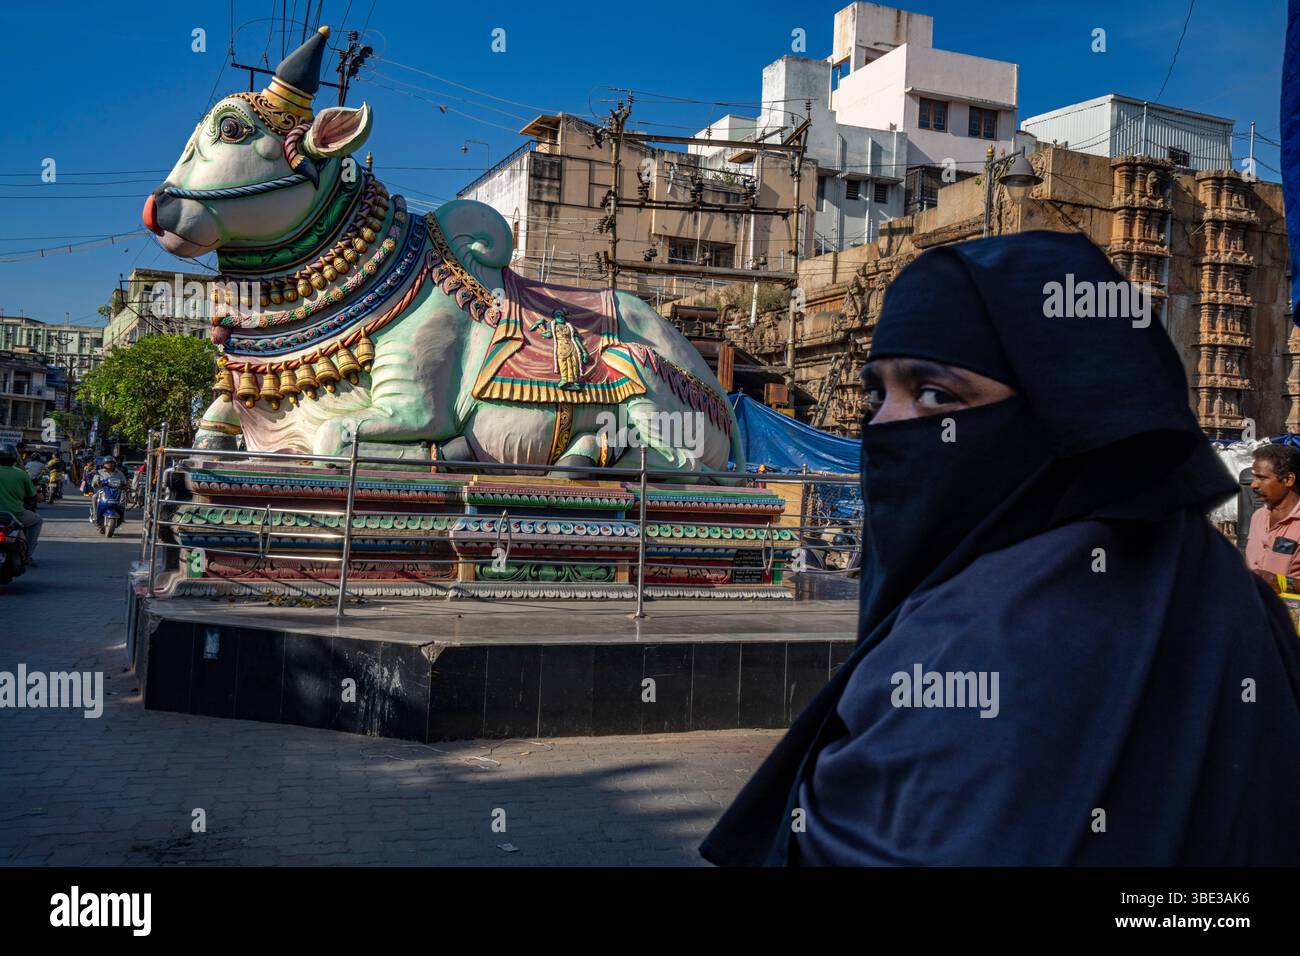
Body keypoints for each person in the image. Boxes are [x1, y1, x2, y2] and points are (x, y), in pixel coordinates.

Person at [700, 231, 1300, 866]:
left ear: (1067, 406)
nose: (880, 427)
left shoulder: (967, 639)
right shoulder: (1230, 599)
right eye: (877, 395)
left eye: (936, 394)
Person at [1245, 444, 1300, 593]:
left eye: (1261, 478)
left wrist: (1280, 583)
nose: (1253, 484)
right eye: (1254, 477)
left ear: (1288, 479)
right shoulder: (1258, 517)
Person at [0, 443, 41, 561]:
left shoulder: (24, 469)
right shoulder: (21, 474)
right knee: (37, 521)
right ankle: (27, 553)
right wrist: (40, 497)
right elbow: (33, 495)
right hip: (16, 515)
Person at [89, 457, 127, 527]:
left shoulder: (119, 473)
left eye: (111, 463)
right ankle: (95, 515)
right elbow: (94, 481)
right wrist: (96, 482)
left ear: (114, 464)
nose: (109, 464)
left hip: (116, 492)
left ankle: (122, 517)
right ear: (104, 464)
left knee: (124, 499)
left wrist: (125, 486)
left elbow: (124, 482)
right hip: (103, 491)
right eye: (107, 463)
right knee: (94, 497)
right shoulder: (99, 472)